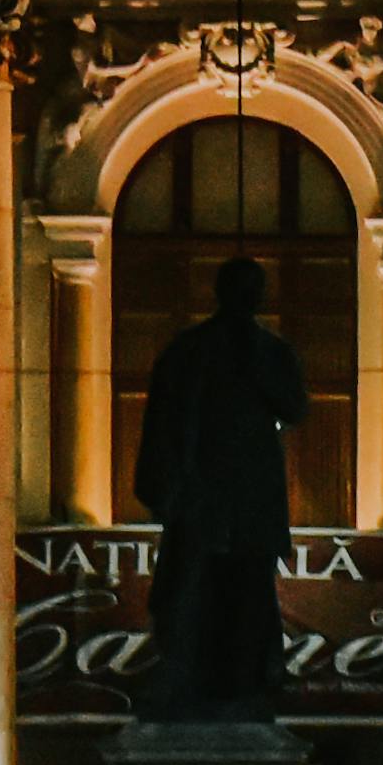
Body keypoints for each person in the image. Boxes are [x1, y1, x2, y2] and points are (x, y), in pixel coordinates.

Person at [132, 254, 309, 717]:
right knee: (188, 594)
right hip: (199, 498)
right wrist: (163, 490)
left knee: (248, 598)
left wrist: (258, 368)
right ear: (224, 293)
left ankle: (245, 688)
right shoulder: (188, 351)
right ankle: (185, 681)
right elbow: (161, 423)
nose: (247, 298)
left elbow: (294, 407)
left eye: (253, 289)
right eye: (242, 288)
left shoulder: (269, 352)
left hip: (249, 504)